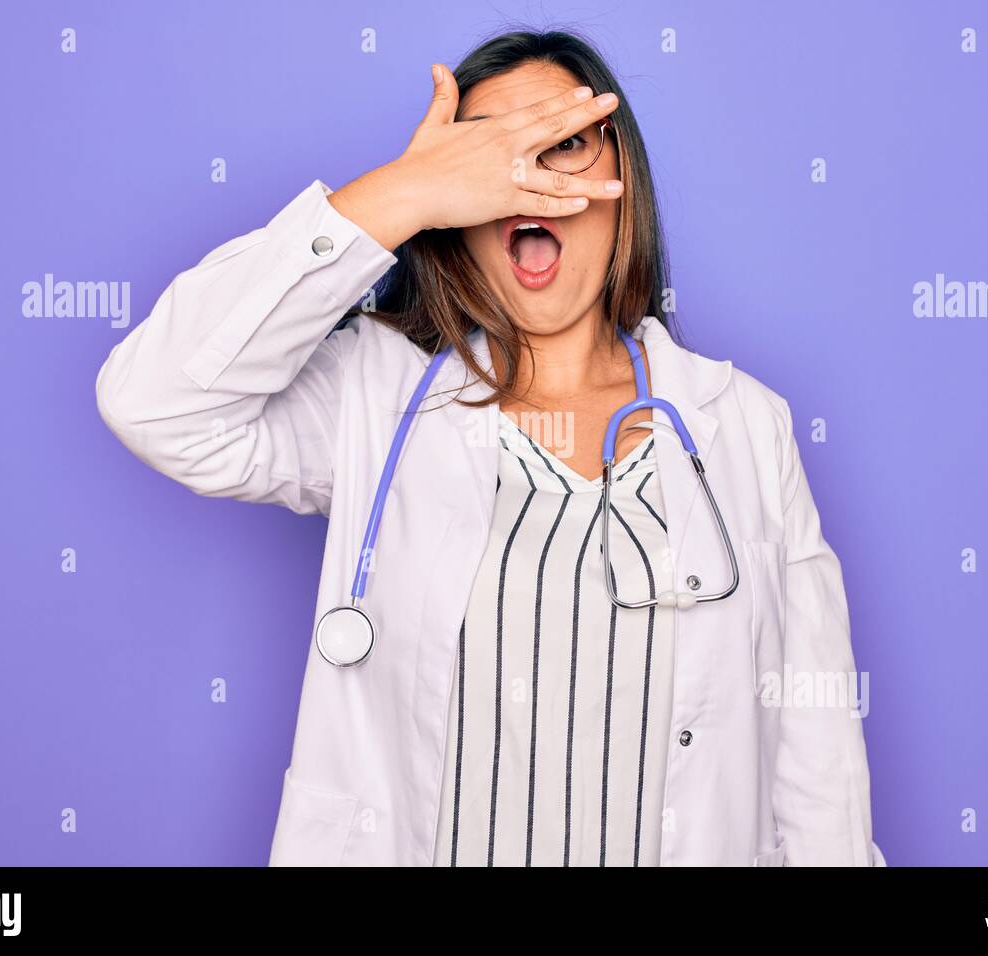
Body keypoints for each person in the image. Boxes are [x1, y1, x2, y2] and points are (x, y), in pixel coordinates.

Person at [95, 29, 885, 867]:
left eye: (563, 145)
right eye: (490, 153)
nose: (527, 178)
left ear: (624, 188)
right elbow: (155, 402)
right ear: (456, 211)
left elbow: (816, 753)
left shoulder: (746, 426)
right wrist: (403, 192)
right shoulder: (375, 400)